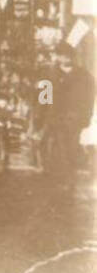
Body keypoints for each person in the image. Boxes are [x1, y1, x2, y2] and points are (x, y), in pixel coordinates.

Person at [49, 45, 96, 184]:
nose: (65, 58)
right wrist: (41, 116)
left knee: (70, 148)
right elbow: (43, 97)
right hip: (54, 117)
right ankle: (58, 179)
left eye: (68, 55)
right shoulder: (49, 74)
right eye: (61, 55)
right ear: (57, 57)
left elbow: (90, 97)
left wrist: (86, 116)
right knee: (55, 149)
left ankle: (68, 180)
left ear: (72, 57)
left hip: (73, 119)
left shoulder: (84, 76)